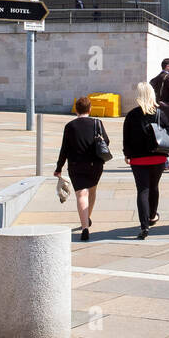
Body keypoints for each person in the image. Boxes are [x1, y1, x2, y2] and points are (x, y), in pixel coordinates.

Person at [124, 82, 169, 239]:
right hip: (158, 156)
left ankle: (144, 226)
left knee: (142, 190)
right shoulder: (160, 114)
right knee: (154, 187)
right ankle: (152, 216)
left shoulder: (132, 115)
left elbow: (126, 137)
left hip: (138, 159)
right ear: (153, 95)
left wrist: (127, 154)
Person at [53, 96, 109, 241]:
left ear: (76, 110)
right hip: (95, 165)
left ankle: (84, 227)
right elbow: (106, 141)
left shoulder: (70, 126)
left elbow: (64, 149)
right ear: (90, 109)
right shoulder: (97, 122)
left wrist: (59, 168)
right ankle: (87, 217)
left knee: (81, 195)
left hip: (76, 165)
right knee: (92, 191)